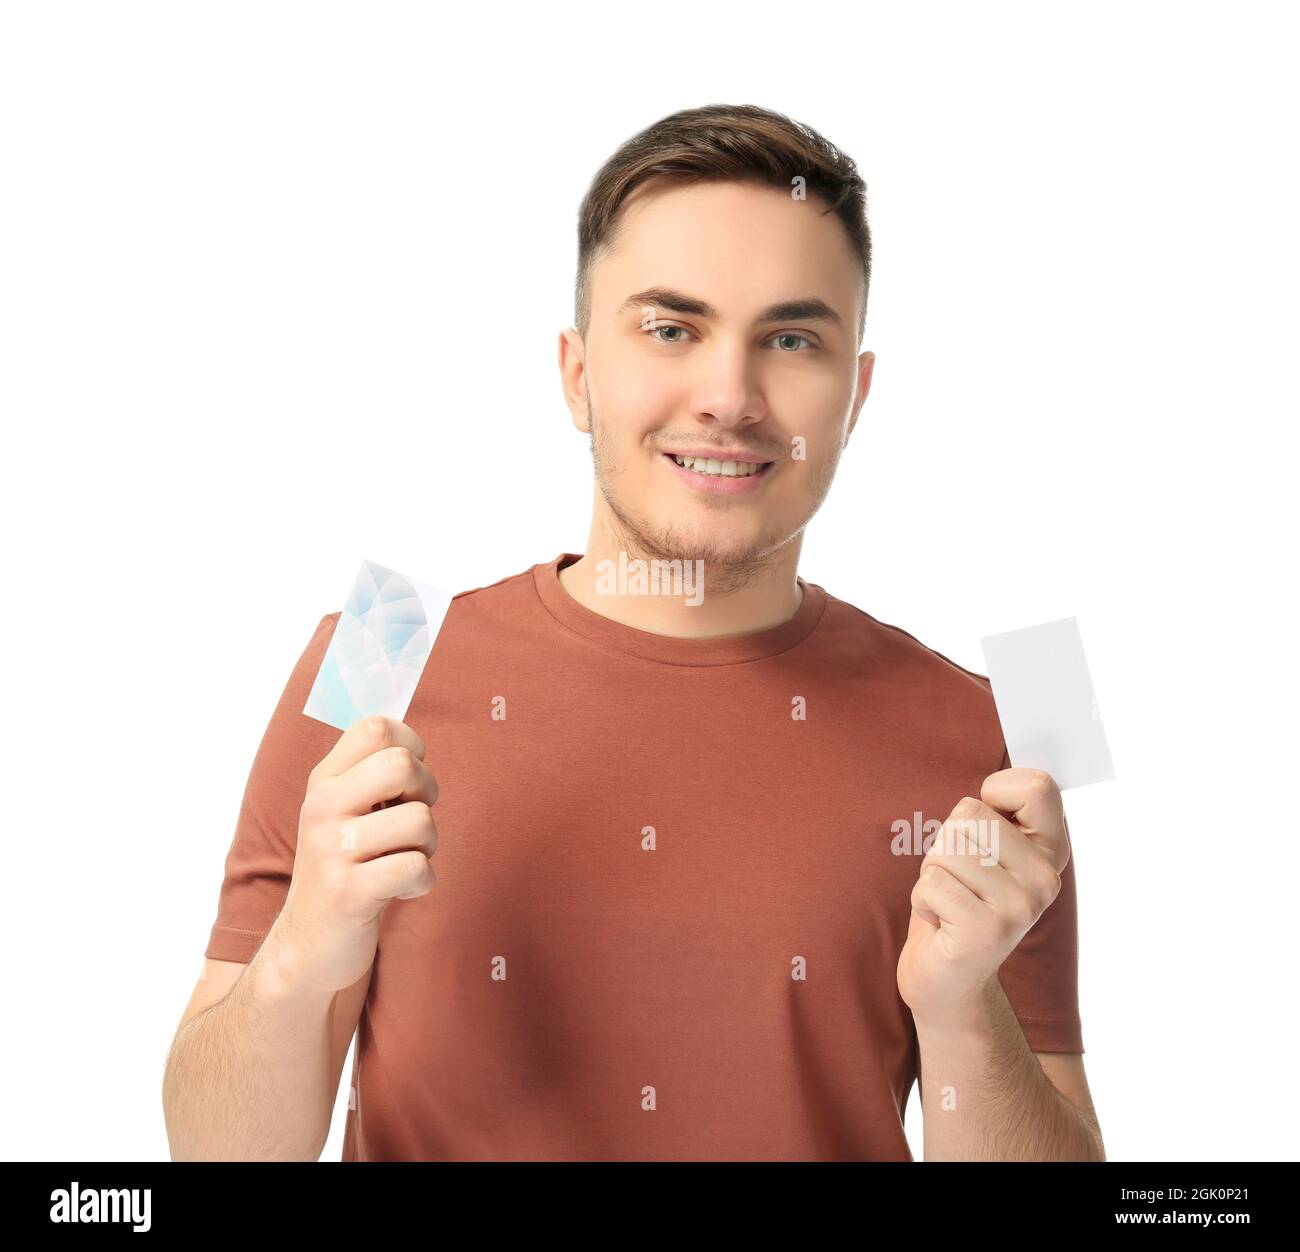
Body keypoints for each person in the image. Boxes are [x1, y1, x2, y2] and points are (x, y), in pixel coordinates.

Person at [163, 102, 1103, 1162]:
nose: (729, 396)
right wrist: (303, 953)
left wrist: (960, 1005)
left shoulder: (996, 728)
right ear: (575, 372)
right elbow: (212, 1155)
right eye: (670, 328)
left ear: (856, 395)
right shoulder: (378, 647)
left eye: (791, 338)